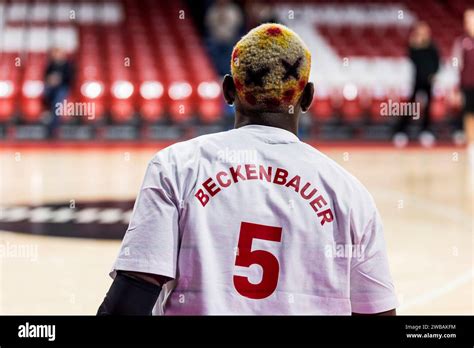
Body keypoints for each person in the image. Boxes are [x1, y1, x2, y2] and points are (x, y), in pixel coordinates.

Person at [98, 23, 398, 315]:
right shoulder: (350, 195)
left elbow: (129, 301)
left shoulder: (175, 167)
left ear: (228, 90)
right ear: (307, 97)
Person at [393, 21, 440, 148]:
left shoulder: (432, 47)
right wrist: (415, 44)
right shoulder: (414, 45)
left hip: (428, 82)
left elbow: (437, 63)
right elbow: (411, 59)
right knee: (410, 107)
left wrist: (433, 74)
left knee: (428, 107)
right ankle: (401, 132)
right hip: (416, 81)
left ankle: (426, 132)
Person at [455, 9, 474, 170]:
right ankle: (471, 148)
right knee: (469, 116)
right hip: (468, 86)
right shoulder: (462, 42)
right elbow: (458, 66)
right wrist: (458, 89)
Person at [205, 0, 243, 76]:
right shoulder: (212, 10)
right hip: (215, 40)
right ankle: (215, 75)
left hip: (230, 39)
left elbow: (238, 24)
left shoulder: (233, 10)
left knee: (231, 56)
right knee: (210, 49)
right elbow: (208, 25)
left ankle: (228, 75)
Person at [43, 47, 74, 138]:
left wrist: (59, 80)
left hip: (63, 87)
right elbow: (46, 76)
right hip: (51, 88)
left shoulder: (68, 65)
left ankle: (53, 128)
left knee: (57, 103)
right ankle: (45, 109)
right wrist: (50, 80)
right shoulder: (51, 65)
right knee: (45, 92)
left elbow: (70, 79)